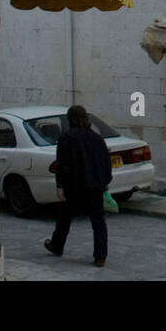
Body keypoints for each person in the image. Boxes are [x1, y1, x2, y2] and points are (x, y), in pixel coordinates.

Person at [44, 105, 113, 267]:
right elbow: (105, 163)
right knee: (98, 222)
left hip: (74, 186)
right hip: (95, 186)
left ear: (70, 120)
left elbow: (62, 165)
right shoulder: (97, 139)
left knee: (64, 218)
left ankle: (57, 245)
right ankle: (100, 256)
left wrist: (60, 186)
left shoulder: (66, 138)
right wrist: (104, 182)